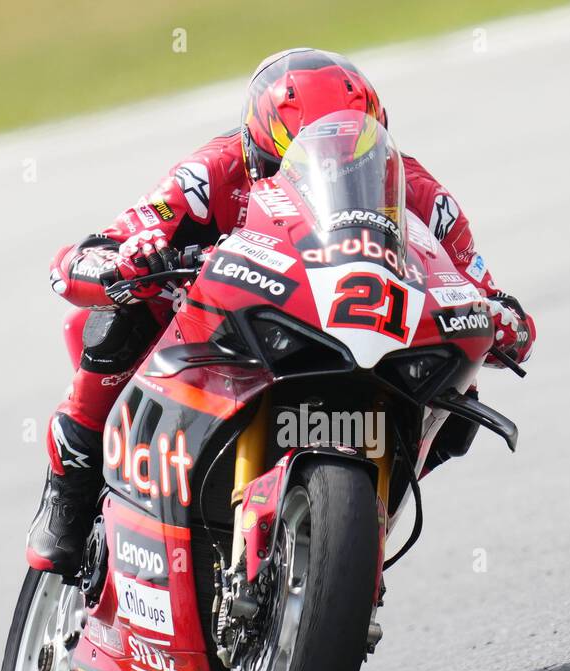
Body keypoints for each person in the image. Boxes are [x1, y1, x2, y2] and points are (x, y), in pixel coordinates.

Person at [29, 48, 536, 574]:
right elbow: (95, 250)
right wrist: (122, 262)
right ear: (256, 149)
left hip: (349, 324)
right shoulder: (211, 173)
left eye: (352, 168)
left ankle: (360, 525)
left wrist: (502, 320)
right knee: (122, 319)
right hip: (225, 321)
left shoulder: (421, 194)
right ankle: (72, 481)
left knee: (459, 396)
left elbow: (480, 287)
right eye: (283, 166)